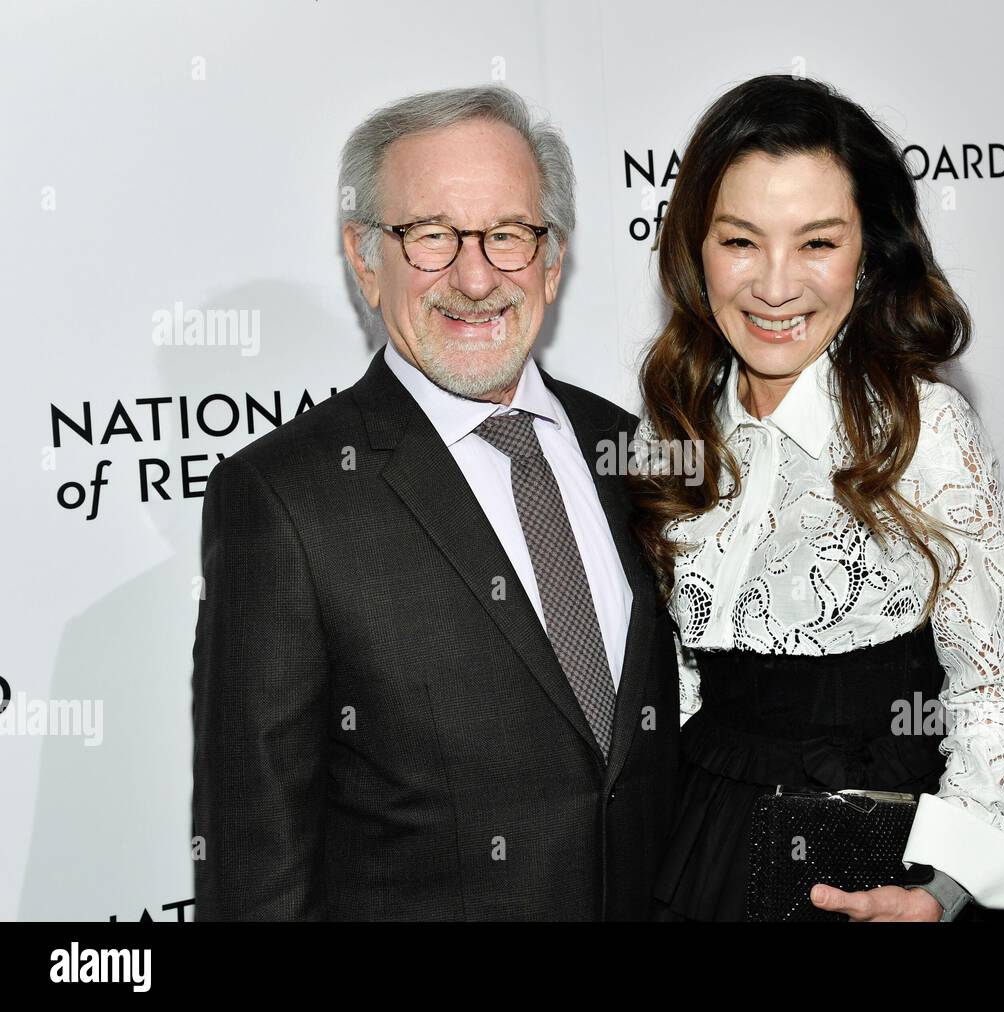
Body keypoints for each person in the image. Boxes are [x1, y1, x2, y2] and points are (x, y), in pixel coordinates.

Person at [191, 86, 679, 920]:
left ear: (552, 259)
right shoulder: (284, 501)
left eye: (509, 234)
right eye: (431, 237)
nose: (477, 275)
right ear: (363, 257)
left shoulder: (638, 454)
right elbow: (255, 870)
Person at [629, 75, 1004, 922]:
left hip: (868, 859)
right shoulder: (674, 424)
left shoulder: (922, 429)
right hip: (696, 844)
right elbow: (675, 678)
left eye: (817, 243)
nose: (776, 286)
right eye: (741, 241)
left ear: (871, 253)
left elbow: (991, 693)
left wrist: (941, 892)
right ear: (694, 247)